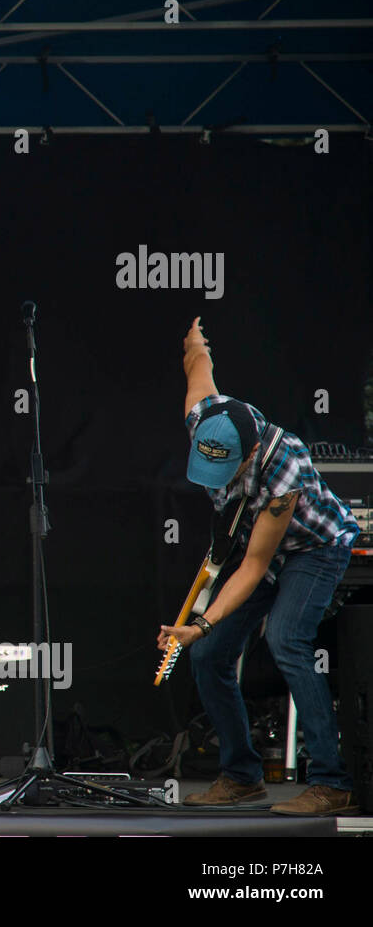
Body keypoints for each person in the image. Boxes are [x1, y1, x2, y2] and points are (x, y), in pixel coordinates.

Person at [160, 317, 358, 816]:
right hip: (262, 550)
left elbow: (253, 569)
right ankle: (241, 776)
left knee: (285, 639)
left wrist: (199, 625)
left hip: (311, 548)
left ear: (248, 453)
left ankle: (332, 782)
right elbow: (197, 366)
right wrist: (195, 338)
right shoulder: (204, 417)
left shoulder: (282, 471)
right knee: (208, 659)